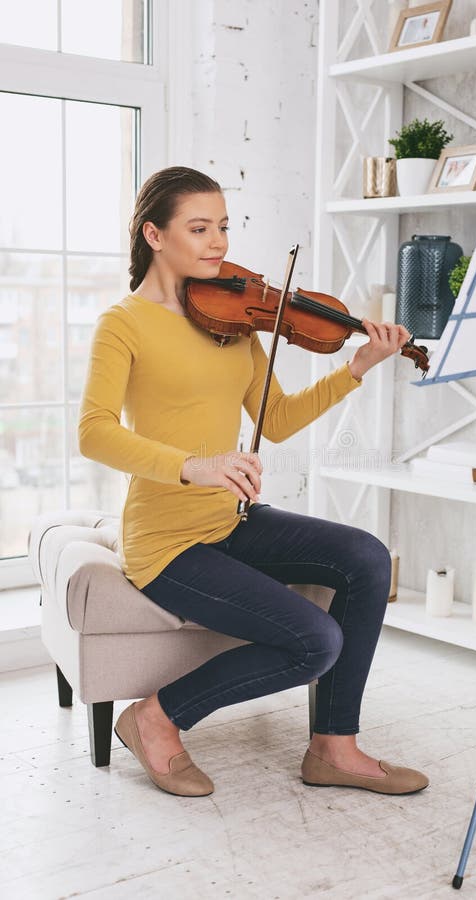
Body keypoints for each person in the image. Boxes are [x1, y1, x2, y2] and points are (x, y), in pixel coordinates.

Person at [78, 165, 429, 798]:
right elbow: (94, 432)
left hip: (228, 522)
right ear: (154, 236)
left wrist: (357, 367)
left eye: (223, 227)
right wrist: (196, 465)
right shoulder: (123, 323)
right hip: (166, 545)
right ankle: (155, 718)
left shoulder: (231, 320)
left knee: (367, 559)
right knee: (314, 641)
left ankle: (334, 747)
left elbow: (279, 418)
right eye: (199, 228)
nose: (218, 243)